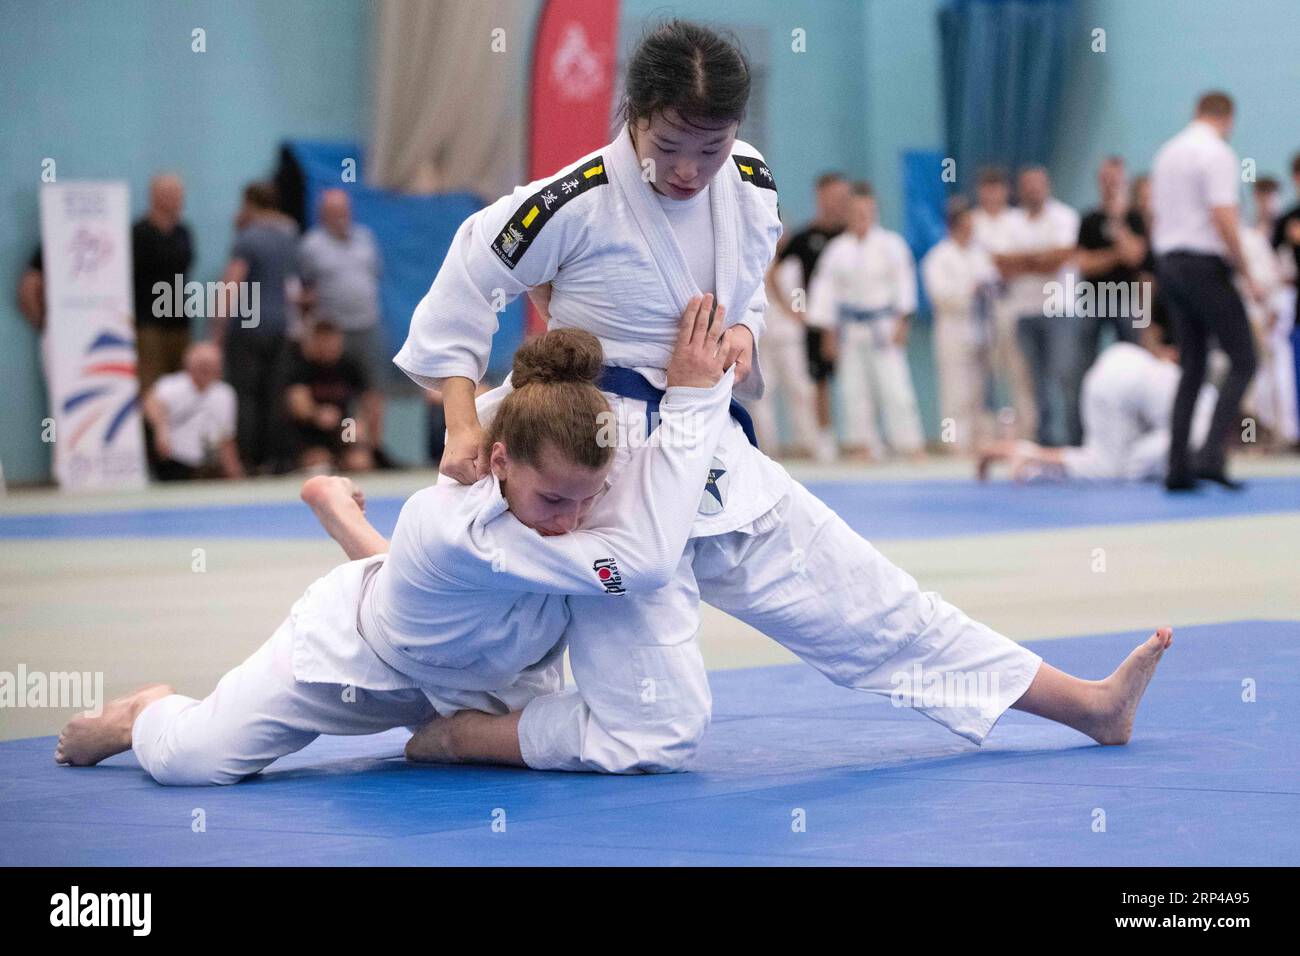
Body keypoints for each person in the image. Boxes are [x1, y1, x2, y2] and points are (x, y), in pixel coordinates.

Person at [393, 19, 1174, 774]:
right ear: (632, 116)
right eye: (668, 147)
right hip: (597, 471)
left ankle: (1087, 705)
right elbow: (467, 285)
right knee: (651, 731)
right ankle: (467, 736)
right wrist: (462, 424)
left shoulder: (750, 183)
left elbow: (749, 298)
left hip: (709, 449)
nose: (690, 170)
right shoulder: (573, 199)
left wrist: (746, 336)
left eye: (712, 146)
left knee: (875, 603)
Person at [53, 309, 738, 780]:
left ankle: (347, 525)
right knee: (193, 765)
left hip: (487, 676)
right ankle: (141, 714)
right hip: (366, 658)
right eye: (554, 499)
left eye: (588, 498)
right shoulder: (454, 529)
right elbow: (642, 565)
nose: (571, 519)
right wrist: (694, 400)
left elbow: (535, 409)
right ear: (500, 463)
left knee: (457, 598)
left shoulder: (555, 485)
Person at [1151, 91, 1259, 490]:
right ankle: (1211, 455)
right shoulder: (1217, 153)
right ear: (1227, 118)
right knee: (1245, 358)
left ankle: (1178, 466)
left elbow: (1155, 216)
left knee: (1192, 366)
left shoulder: (1167, 153)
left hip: (1169, 262)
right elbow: (1222, 215)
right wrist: (1246, 271)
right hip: (1202, 264)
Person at [977, 337, 1216, 483]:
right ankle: (1028, 454)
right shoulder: (1201, 430)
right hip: (1117, 387)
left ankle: (1035, 462)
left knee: (1109, 459)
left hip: (1122, 361)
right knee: (1111, 470)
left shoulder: (1207, 397)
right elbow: (1136, 464)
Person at [809, 181, 925, 460]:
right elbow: (825, 293)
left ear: (874, 212)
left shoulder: (891, 245)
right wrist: (828, 333)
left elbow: (905, 284)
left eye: (866, 211)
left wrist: (903, 322)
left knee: (895, 388)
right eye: (856, 212)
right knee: (852, 389)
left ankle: (909, 444)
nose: (861, 217)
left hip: (884, 325)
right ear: (848, 213)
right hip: (849, 328)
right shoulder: (837, 249)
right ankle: (860, 444)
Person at [213, 181, 299, 475]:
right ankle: (272, 459)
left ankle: (247, 459)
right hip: (279, 325)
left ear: (249, 203)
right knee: (273, 395)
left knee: (245, 395)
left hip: (249, 327)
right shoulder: (288, 236)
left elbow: (231, 284)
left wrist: (217, 331)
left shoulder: (248, 239)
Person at [765, 172, 851, 461]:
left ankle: (858, 441)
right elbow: (773, 272)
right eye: (832, 197)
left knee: (856, 382)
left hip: (852, 318)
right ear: (820, 197)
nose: (838, 203)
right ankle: (819, 442)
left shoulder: (853, 238)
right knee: (815, 382)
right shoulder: (804, 238)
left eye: (843, 197)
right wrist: (793, 310)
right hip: (814, 321)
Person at [298, 189, 389, 463]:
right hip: (332, 334)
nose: (340, 216)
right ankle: (333, 449)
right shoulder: (311, 246)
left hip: (367, 326)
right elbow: (303, 291)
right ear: (322, 214)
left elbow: (373, 276)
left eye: (343, 210)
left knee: (373, 391)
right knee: (334, 392)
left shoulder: (366, 239)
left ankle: (373, 451)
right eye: (333, 211)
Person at [996, 167, 1080, 448]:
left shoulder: (1064, 216)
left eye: (1038, 185)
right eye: (1027, 185)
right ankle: (1045, 441)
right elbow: (1001, 263)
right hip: (1024, 311)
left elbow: (1058, 259)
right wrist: (1039, 260)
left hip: (1059, 308)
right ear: (1020, 189)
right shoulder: (1009, 221)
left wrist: (1024, 262)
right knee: (1033, 382)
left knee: (1065, 374)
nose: (1033, 190)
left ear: (1047, 186)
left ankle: (1074, 439)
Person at [1072, 157, 1149, 444]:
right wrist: (1116, 255)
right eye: (1106, 178)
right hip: (1093, 299)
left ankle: (1134, 432)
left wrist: (1118, 224)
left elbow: (1135, 256)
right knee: (1083, 367)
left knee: (1134, 365)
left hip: (1126, 299)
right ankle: (1084, 436)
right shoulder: (1089, 219)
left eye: (1116, 179)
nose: (1111, 184)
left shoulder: (1133, 218)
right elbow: (1084, 264)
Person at [922, 196, 999, 452]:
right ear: (954, 225)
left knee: (980, 390)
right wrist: (970, 290)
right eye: (965, 223)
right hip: (952, 328)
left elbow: (994, 284)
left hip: (980, 328)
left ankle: (981, 442)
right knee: (955, 390)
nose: (969, 228)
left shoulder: (981, 254)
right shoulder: (938, 257)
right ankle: (956, 444)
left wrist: (986, 291)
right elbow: (940, 296)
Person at [971, 166, 1033, 438]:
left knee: (1020, 372)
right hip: (980, 307)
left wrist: (1006, 267)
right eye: (987, 189)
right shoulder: (971, 222)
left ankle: (1026, 432)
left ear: (1006, 191)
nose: (992, 195)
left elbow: (1026, 258)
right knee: (981, 375)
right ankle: (984, 436)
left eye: (997, 189)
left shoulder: (1019, 221)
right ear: (980, 192)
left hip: (1015, 302)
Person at [748, 254, 818, 457]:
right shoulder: (753, 260)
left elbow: (799, 303)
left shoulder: (792, 264)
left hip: (789, 337)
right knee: (763, 393)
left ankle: (806, 443)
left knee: (799, 389)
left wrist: (797, 316)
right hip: (763, 337)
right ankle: (765, 446)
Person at [142, 342, 243, 481]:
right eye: (202, 364)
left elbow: (226, 439)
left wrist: (237, 476)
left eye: (212, 365)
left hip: (206, 465)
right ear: (189, 365)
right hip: (173, 463)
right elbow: (150, 402)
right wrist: (161, 429)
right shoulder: (172, 385)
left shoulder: (225, 394)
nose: (207, 369)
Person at [133, 173, 196, 395]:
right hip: (148, 321)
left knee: (182, 384)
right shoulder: (139, 233)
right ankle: (152, 430)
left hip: (179, 319)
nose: (178, 199)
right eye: (171, 194)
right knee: (152, 385)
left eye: (179, 194)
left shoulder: (183, 232)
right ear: (155, 197)